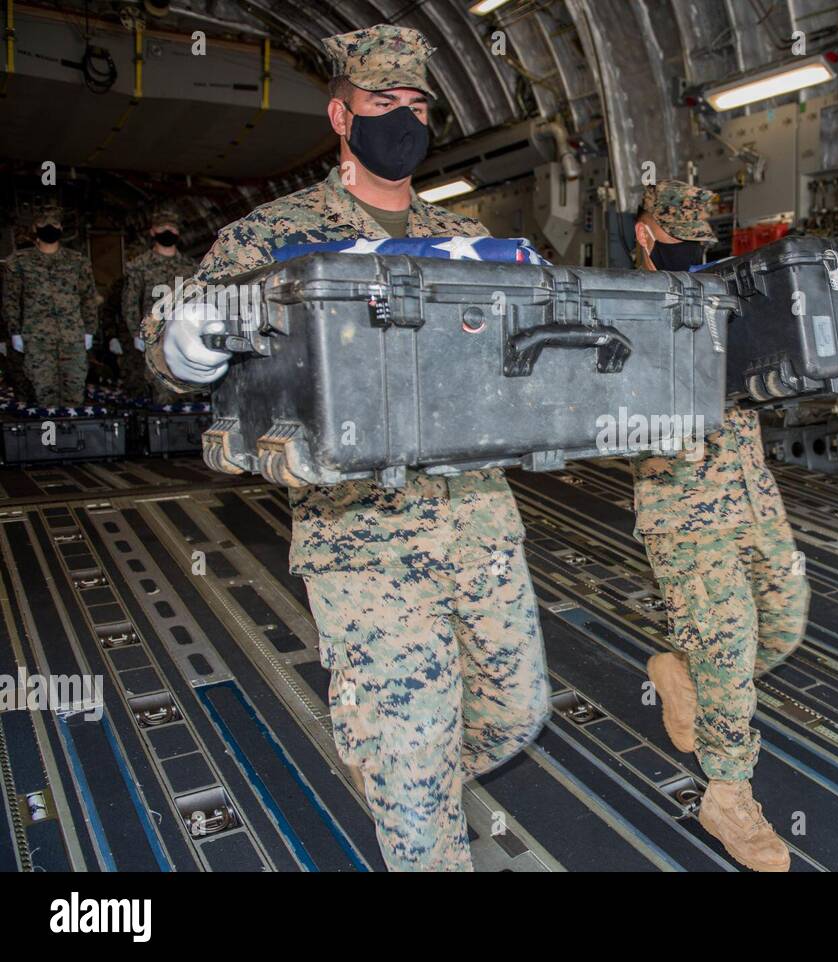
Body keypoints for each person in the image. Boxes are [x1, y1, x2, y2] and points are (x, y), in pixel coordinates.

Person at [141, 23, 550, 871]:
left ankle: (409, 773)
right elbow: (169, 344)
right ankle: (410, 793)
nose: (402, 116)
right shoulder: (279, 235)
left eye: (416, 104)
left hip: (479, 519)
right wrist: (191, 337)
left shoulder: (462, 234)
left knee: (517, 711)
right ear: (341, 114)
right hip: (362, 540)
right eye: (381, 102)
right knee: (412, 755)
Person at [633, 180, 810, 873]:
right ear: (646, 236)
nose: (689, 252)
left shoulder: (726, 294)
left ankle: (684, 671)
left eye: (699, 242)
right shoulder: (621, 309)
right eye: (675, 240)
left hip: (751, 493)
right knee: (731, 639)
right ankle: (729, 793)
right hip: (681, 504)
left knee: (786, 620)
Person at [2, 205, 99, 407]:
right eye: (43, 224)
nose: (49, 227)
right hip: (37, 340)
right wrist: (14, 332)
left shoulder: (77, 261)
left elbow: (88, 298)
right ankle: (50, 437)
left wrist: (90, 330)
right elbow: (10, 300)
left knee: (74, 394)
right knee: (44, 395)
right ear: (35, 228)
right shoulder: (18, 262)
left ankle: (71, 437)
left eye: (54, 223)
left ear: (61, 227)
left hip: (72, 338)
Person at [121, 205, 197, 404]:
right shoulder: (139, 266)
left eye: (172, 228)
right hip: (156, 338)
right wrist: (136, 333)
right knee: (162, 393)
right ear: (153, 231)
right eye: (163, 227)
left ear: (178, 232)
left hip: (185, 337)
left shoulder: (191, 266)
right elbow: (130, 302)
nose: (168, 232)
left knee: (190, 394)